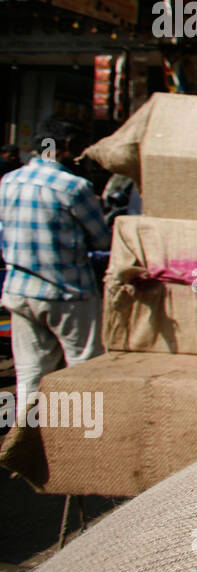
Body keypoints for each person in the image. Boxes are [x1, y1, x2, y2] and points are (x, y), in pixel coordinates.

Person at [0, 117, 110, 411]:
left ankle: (26, 444)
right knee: (83, 371)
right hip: (68, 294)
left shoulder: (8, 181)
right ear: (66, 148)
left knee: (31, 374)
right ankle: (78, 442)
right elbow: (101, 240)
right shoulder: (74, 187)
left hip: (20, 291)